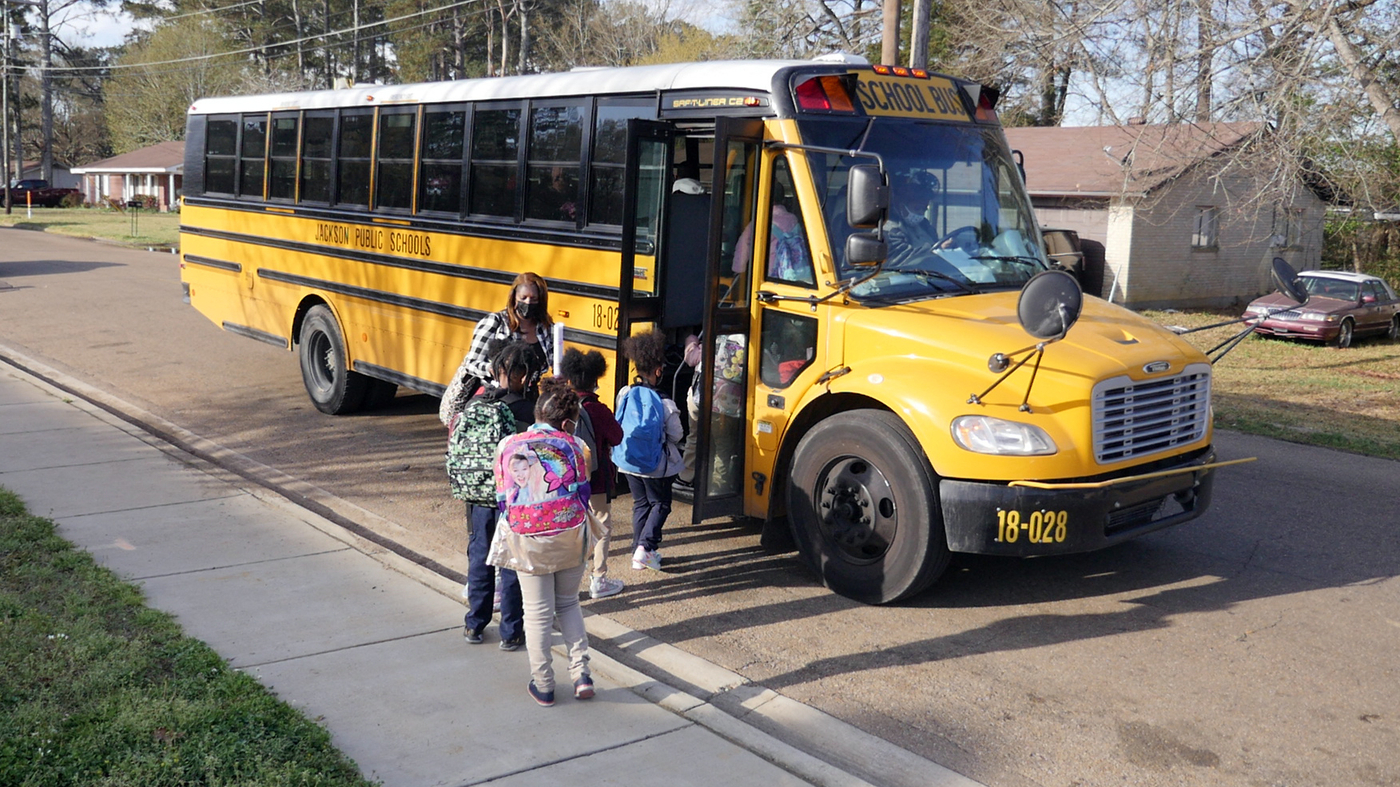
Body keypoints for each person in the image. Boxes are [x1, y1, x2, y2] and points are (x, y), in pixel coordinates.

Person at [488, 377, 595, 706]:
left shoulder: (508, 446)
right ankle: (581, 675)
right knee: (568, 604)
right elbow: (584, 492)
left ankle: (544, 685)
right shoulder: (576, 447)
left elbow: (503, 499)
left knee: (536, 614)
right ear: (566, 423)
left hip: (529, 540)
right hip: (570, 536)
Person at [449, 340, 539, 651]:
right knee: (510, 563)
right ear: (524, 376)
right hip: (511, 502)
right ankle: (511, 632)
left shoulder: (476, 403)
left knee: (480, 559)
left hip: (476, 498)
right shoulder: (527, 410)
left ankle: (474, 624)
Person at [439, 272, 555, 428]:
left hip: (529, 398)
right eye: (523, 298)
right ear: (514, 297)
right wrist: (492, 369)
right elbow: (471, 363)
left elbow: (554, 363)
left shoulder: (546, 328)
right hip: (495, 397)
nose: (528, 303)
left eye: (534, 299)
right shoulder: (495, 322)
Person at [559, 348, 625, 599]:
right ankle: (599, 579)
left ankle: (566, 582)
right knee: (601, 528)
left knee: (570, 529)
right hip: (596, 480)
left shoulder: (561, 407)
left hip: (564, 481)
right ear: (595, 380)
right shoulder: (598, 410)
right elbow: (617, 437)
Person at [615, 330, 684, 571]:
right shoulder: (665, 402)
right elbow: (677, 435)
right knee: (661, 504)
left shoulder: (625, 392)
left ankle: (638, 551)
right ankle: (646, 546)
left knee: (641, 504)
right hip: (655, 465)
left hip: (627, 462)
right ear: (658, 371)